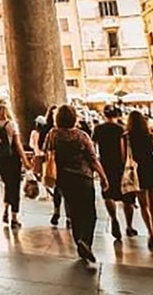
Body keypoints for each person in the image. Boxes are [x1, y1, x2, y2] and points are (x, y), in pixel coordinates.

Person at [44, 104, 109, 264]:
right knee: (89, 213)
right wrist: (103, 177)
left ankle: (79, 240)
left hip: (64, 180)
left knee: (73, 213)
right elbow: (93, 160)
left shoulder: (53, 134)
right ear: (74, 118)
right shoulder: (82, 136)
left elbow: (46, 153)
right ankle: (85, 241)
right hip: (84, 178)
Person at [92, 105, 137, 240]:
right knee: (127, 197)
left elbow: (93, 146)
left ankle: (114, 219)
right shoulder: (121, 129)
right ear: (117, 115)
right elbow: (123, 149)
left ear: (104, 115)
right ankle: (129, 226)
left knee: (108, 194)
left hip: (105, 164)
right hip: (120, 165)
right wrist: (124, 164)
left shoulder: (98, 129)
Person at [126, 110, 153, 249]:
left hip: (138, 172)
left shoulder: (127, 138)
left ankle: (150, 232)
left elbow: (124, 158)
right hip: (152, 170)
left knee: (143, 205)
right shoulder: (151, 137)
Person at [0, 104, 29, 228]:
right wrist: (25, 160)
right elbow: (17, 144)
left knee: (7, 184)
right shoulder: (11, 125)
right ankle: (14, 217)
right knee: (15, 186)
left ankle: (5, 209)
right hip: (12, 159)